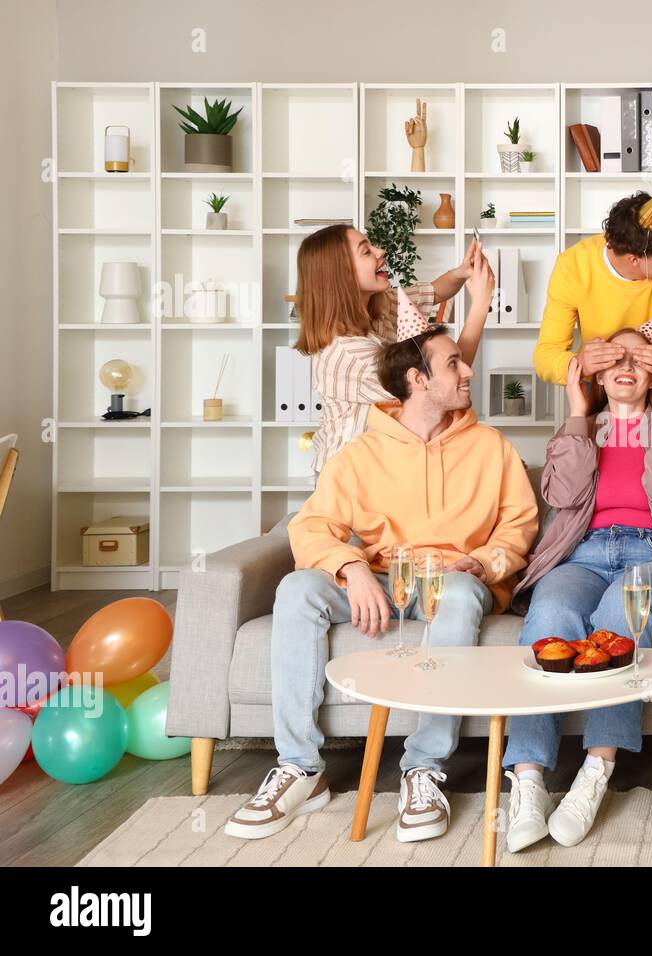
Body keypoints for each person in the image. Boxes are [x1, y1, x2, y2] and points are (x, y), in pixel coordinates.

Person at [224, 303, 538, 844]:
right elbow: (311, 527)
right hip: (378, 579)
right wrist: (351, 565)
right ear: (418, 380)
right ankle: (301, 768)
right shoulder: (360, 453)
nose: (468, 373)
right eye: (454, 365)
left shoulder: (492, 447)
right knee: (298, 588)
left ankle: (424, 768)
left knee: (462, 594)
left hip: (451, 580)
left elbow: (520, 527)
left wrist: (483, 561)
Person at [500, 324, 652, 852]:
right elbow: (564, 491)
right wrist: (579, 410)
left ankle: (595, 771)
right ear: (596, 371)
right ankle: (529, 779)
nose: (626, 363)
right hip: (582, 555)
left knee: (621, 610)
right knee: (551, 612)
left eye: (639, 356)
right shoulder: (579, 428)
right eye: (613, 356)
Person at [294, 223, 494, 473]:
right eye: (366, 251)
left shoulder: (380, 305)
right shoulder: (349, 354)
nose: (380, 252)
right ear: (341, 274)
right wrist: (481, 305)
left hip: (385, 468)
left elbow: (435, 291)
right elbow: (441, 383)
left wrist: (463, 272)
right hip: (349, 482)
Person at [535, 190, 652, 405]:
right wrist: (580, 363)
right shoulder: (573, 266)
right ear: (635, 259)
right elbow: (545, 356)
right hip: (603, 393)